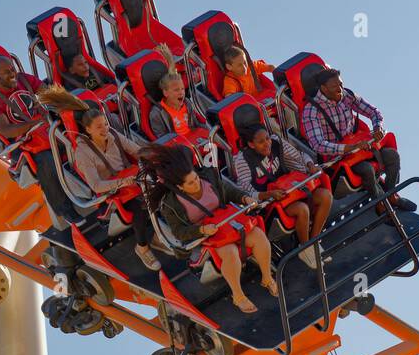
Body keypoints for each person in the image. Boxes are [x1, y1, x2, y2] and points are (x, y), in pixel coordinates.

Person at [141, 142, 276, 315]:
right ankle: (238, 295)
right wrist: (202, 231)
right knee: (230, 252)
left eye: (196, 178)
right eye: (191, 183)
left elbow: (229, 191)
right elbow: (179, 233)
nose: (196, 183)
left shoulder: (208, 179)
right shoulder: (171, 204)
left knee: (258, 235)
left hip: (227, 224)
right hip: (205, 237)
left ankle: (267, 277)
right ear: (180, 187)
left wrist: (245, 199)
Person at [39, 87, 161, 271]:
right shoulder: (82, 152)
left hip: (133, 179)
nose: (104, 129)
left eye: (105, 124)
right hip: (112, 192)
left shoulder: (112, 134)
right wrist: (122, 182)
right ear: (87, 130)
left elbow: (136, 150)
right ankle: (142, 247)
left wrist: (157, 156)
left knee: (164, 188)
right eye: (99, 127)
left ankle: (161, 236)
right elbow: (96, 185)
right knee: (140, 208)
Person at [0, 55, 78, 226]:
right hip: (24, 143)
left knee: (78, 137)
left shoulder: (24, 79)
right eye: (6, 73)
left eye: (12, 69)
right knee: (46, 161)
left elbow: (47, 93)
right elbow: (6, 130)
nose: (12, 75)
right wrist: (35, 123)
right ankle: (64, 209)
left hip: (48, 129)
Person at [300, 68, 416, 211]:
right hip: (337, 158)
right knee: (367, 169)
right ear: (323, 88)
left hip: (360, 148)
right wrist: (349, 148)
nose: (340, 89)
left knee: (392, 156)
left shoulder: (347, 95)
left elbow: (373, 112)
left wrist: (377, 127)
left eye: (341, 84)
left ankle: (391, 195)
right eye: (335, 87)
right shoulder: (311, 111)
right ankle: (381, 205)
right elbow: (318, 145)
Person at [233, 123, 332, 266]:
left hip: (290, 191)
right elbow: (246, 192)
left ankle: (313, 242)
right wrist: (267, 194)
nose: (267, 143)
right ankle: (305, 249)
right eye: (261, 142)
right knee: (302, 209)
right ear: (251, 144)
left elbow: (300, 157)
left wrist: (310, 166)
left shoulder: (276, 142)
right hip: (269, 204)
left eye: (267, 138)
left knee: (325, 196)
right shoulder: (242, 160)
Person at [148, 67, 208, 141]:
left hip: (195, 138)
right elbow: (163, 139)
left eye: (182, 89)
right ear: (165, 93)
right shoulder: (157, 113)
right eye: (176, 90)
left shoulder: (187, 103)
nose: (181, 93)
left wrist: (210, 130)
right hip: (178, 145)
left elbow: (196, 124)